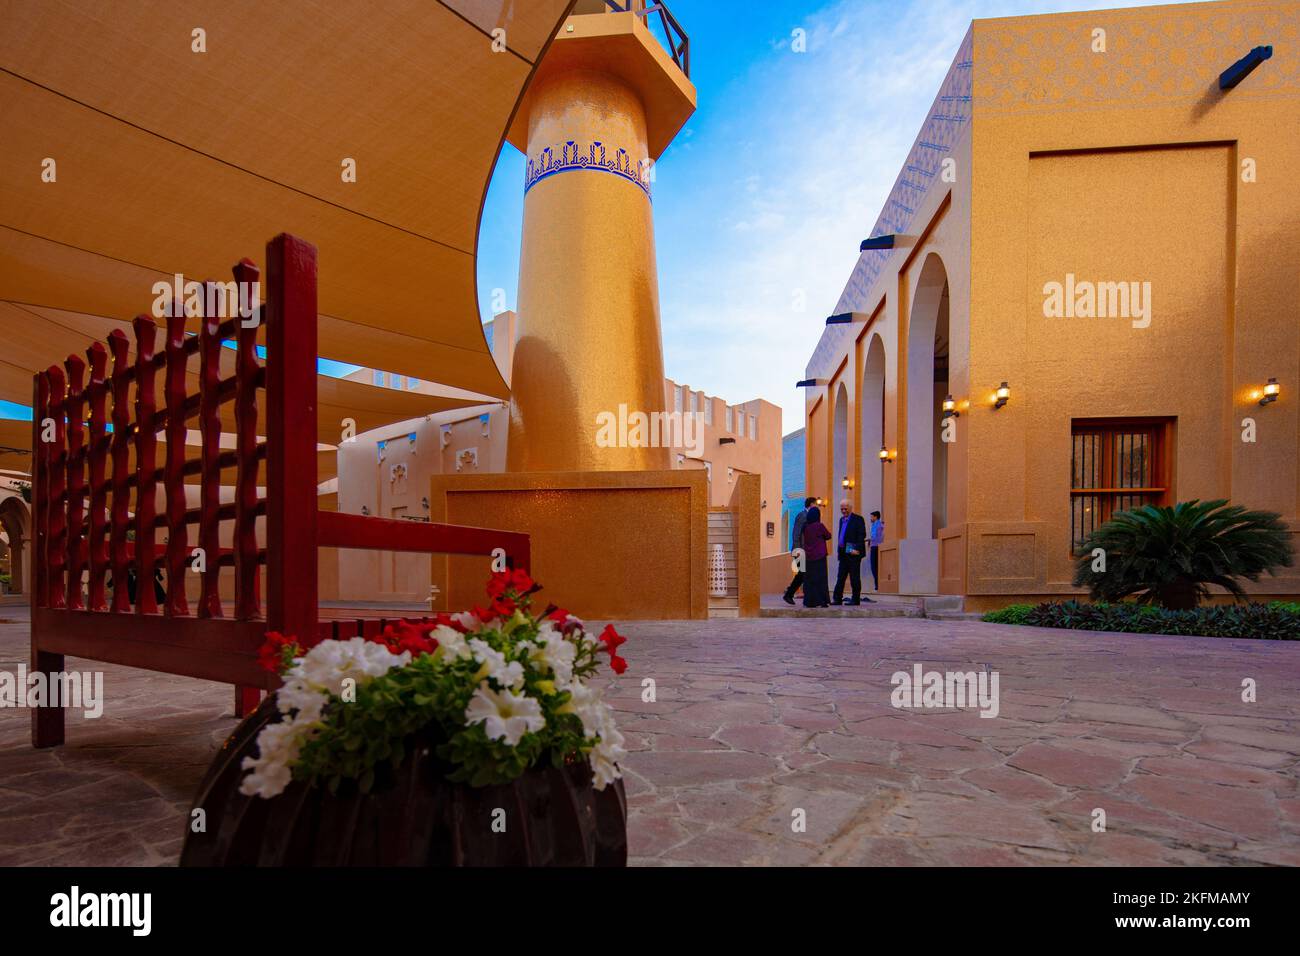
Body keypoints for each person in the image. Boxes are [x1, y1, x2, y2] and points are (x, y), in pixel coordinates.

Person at [832, 499, 872, 605]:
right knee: (840, 577)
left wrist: (856, 549)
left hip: (853, 552)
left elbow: (861, 535)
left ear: (850, 508)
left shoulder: (858, 519)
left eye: (845, 509)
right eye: (842, 509)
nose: (843, 511)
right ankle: (837, 599)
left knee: (854, 577)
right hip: (843, 552)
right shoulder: (841, 520)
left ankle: (855, 599)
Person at [782, 496, 817, 606]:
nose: (817, 507)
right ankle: (789, 594)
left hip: (805, 550)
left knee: (804, 574)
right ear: (811, 504)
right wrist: (798, 549)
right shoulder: (803, 516)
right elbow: (796, 533)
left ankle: (796, 594)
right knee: (802, 573)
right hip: (800, 550)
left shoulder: (809, 516)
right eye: (816, 504)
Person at [800, 506, 832, 608]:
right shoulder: (819, 526)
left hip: (809, 556)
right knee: (821, 579)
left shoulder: (805, 527)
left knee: (810, 580)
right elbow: (828, 535)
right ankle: (822, 601)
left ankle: (810, 601)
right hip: (820, 556)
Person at [868, 510, 885, 591]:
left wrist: (867, 540)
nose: (870, 518)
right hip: (876, 546)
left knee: (874, 566)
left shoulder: (877, 525)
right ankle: (877, 585)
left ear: (875, 517)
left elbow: (874, 537)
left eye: (871, 516)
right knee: (876, 566)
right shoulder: (878, 524)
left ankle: (877, 585)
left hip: (875, 546)